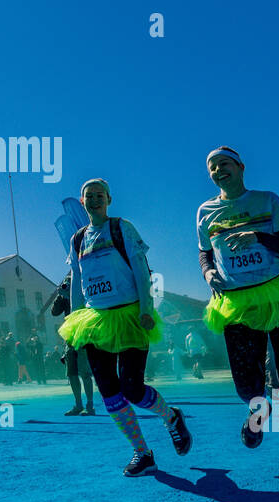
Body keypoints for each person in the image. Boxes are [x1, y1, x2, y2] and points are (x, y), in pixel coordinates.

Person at [197, 148, 279, 482]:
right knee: (245, 383)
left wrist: (256, 236)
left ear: (240, 167)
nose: (218, 170)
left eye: (224, 164)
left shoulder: (267, 200)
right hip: (237, 301)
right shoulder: (205, 211)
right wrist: (208, 274)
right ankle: (259, 409)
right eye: (212, 167)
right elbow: (205, 252)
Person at [59, 178, 188, 477]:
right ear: (82, 202)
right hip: (94, 321)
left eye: (99, 195)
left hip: (130, 316)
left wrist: (146, 309)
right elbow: (77, 282)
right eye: (88, 196)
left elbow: (142, 271)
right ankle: (143, 454)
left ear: (109, 200)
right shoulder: (77, 239)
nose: (94, 200)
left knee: (132, 388)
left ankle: (171, 417)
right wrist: (75, 323)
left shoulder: (121, 228)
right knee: (109, 393)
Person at [50, 276, 95, 415]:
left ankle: (90, 405)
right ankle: (78, 405)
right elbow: (54, 312)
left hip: (82, 337)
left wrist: (70, 297)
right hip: (69, 338)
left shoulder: (83, 294)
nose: (67, 285)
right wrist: (59, 296)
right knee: (71, 374)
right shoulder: (63, 298)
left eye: (70, 283)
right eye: (66, 283)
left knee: (85, 373)